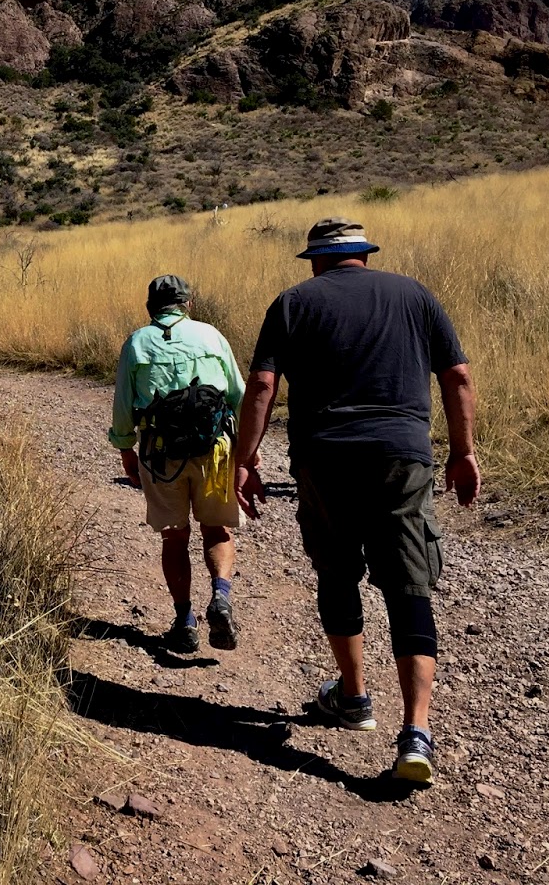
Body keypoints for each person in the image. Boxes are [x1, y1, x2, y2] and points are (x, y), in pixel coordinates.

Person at [232, 217, 479, 786]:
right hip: (403, 454)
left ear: (315, 260)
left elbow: (263, 386)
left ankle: (354, 696)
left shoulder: (293, 303)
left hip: (325, 459)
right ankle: (415, 733)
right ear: (363, 255)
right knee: (408, 583)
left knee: (337, 572)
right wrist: (462, 452)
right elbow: (457, 376)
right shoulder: (414, 294)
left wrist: (247, 460)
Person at [109, 274, 246, 654]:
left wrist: (126, 450)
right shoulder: (211, 336)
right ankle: (220, 596)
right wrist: (247, 450)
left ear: (151, 307)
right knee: (217, 530)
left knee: (174, 537)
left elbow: (123, 406)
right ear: (188, 303)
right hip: (214, 451)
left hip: (160, 451)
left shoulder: (136, 342)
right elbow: (238, 394)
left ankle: (185, 619)